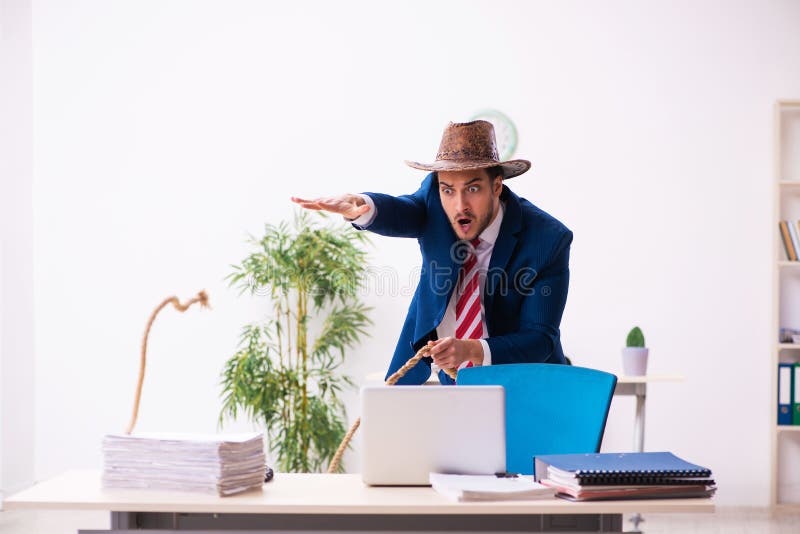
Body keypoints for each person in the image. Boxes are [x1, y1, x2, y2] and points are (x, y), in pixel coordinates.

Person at [292, 120, 572, 385]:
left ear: (496, 186)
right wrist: (362, 206)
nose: (459, 204)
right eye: (447, 190)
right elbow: (406, 211)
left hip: (522, 381)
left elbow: (539, 338)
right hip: (438, 375)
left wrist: (472, 350)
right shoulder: (435, 200)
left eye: (473, 188)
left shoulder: (547, 240)